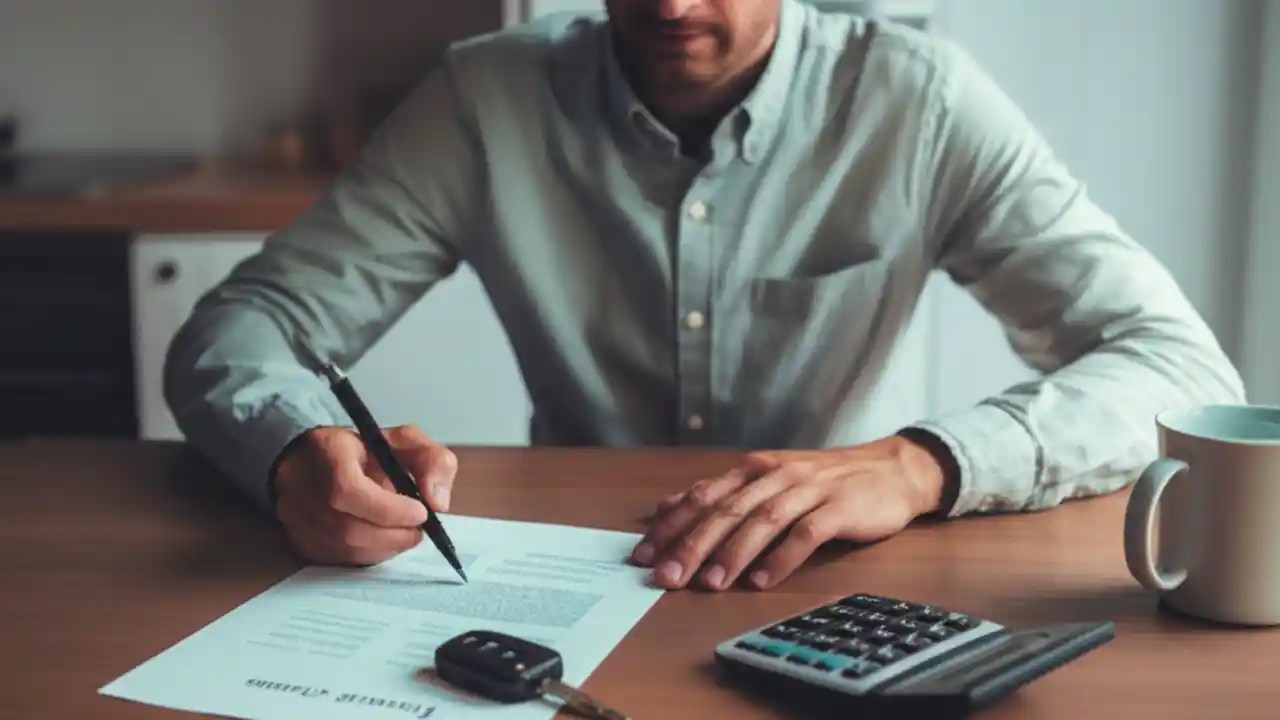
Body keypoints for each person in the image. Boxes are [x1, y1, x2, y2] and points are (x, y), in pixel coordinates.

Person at [165, 0, 1244, 593]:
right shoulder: (483, 97)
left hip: (840, 581)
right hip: (571, 576)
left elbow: (1176, 364)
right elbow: (244, 324)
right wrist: (292, 449)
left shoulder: (917, 101)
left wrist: (921, 464)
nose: (670, 2)